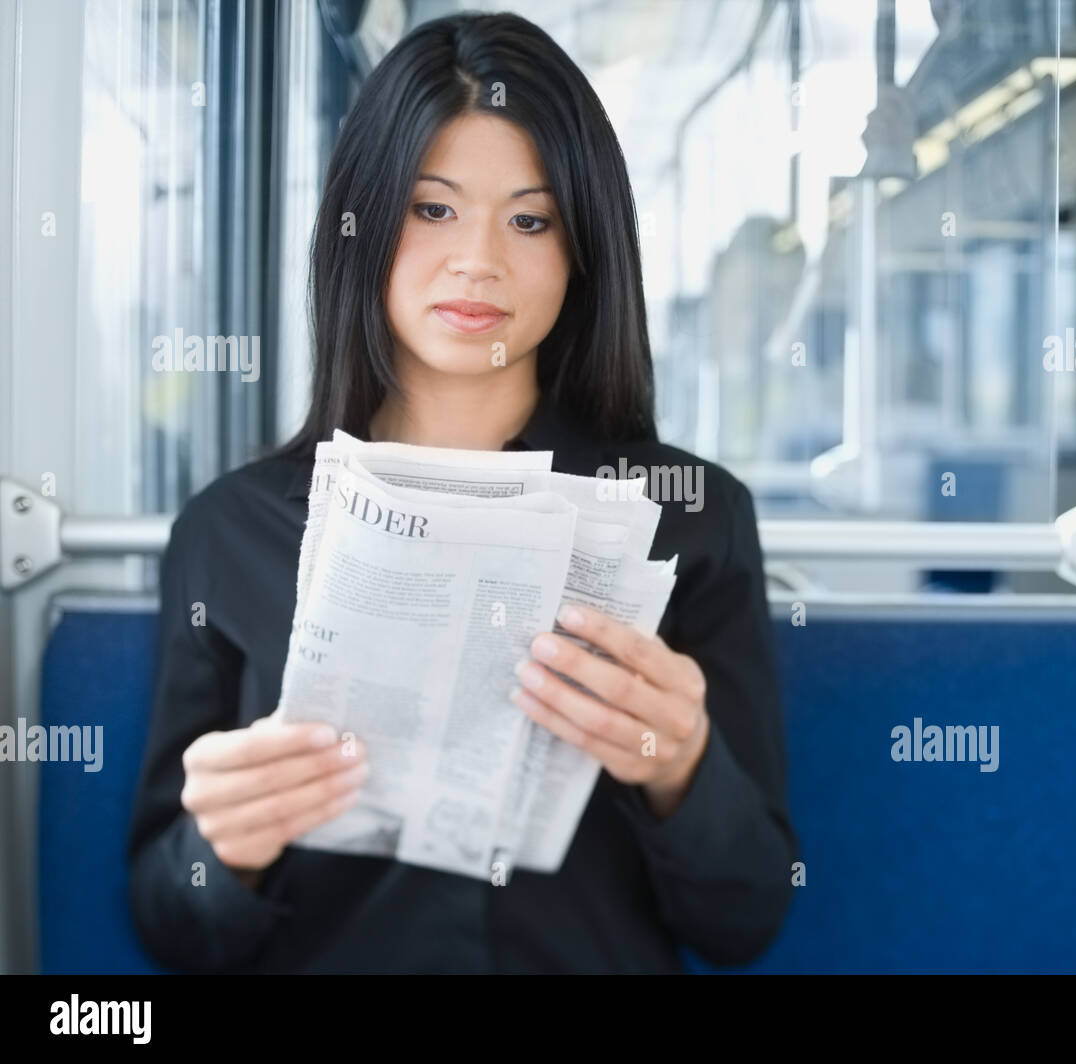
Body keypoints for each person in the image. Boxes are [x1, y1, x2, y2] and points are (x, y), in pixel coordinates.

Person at [127, 10, 797, 974]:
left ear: (581, 252)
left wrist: (680, 767)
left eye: (531, 220)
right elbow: (169, 926)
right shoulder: (231, 531)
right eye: (432, 208)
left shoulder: (687, 519)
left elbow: (746, 921)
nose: (478, 259)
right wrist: (221, 850)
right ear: (362, 220)